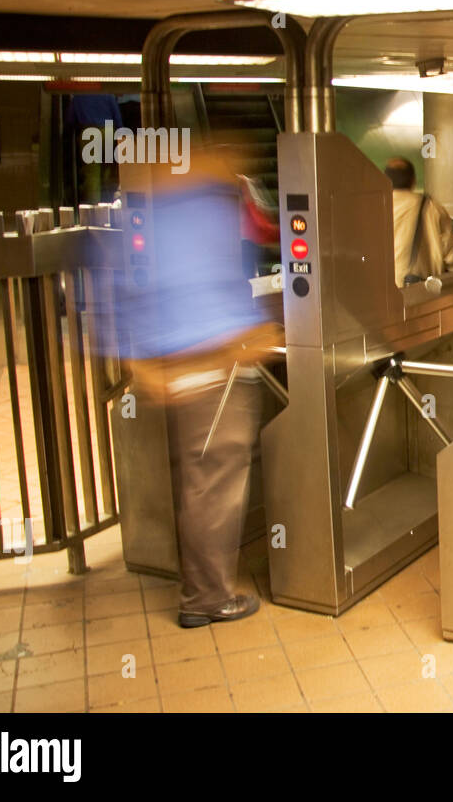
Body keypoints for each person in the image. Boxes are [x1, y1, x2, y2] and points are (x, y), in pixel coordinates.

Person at [115, 146, 281, 628]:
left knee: (197, 481)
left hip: (175, 373)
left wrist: (145, 366)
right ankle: (206, 598)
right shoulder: (208, 213)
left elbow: (129, 293)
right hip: (215, 371)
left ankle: (199, 586)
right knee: (214, 487)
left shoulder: (154, 216)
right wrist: (255, 332)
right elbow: (217, 294)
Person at [386, 157, 453, 287]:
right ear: (413, 181)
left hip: (384, 293)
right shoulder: (432, 208)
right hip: (420, 291)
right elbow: (452, 258)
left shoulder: (376, 208)